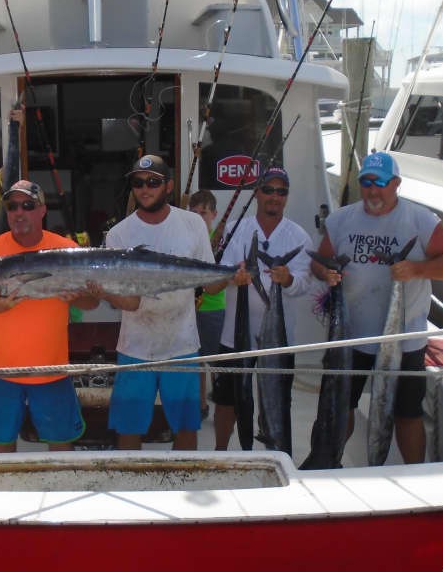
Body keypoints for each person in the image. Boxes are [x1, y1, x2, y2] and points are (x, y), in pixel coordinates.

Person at [310, 151, 443, 463]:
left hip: (403, 339)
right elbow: (319, 261)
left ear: (396, 183)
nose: (372, 190)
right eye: (366, 182)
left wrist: (417, 270)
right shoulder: (341, 219)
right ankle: (328, 463)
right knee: (340, 405)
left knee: (406, 413)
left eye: (380, 183)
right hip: (351, 336)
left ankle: (415, 474)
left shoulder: (420, 220)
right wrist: (325, 273)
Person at [0, 180, 99, 452]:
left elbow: (92, 302)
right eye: (12, 206)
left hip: (53, 371)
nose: (19, 212)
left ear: (42, 210)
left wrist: (77, 297)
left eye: (28, 205)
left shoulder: (67, 249)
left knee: (60, 446)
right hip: (4, 372)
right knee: (1, 447)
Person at [93, 155, 218, 451]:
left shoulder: (193, 224)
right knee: (128, 427)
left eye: (153, 182)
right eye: (138, 183)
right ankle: (131, 485)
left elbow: (211, 282)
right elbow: (131, 302)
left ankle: (183, 486)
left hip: (183, 345)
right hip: (135, 347)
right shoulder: (118, 234)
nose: (145, 189)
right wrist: (102, 291)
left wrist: (234, 276)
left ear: (169, 186)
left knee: (186, 426)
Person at [212, 167, 314, 450]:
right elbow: (218, 274)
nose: (274, 196)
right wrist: (234, 275)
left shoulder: (299, 236)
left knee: (276, 400)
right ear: (257, 193)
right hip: (235, 335)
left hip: (279, 339)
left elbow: (304, 283)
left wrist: (288, 279)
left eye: (281, 191)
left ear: (286, 197)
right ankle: (222, 453)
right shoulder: (233, 229)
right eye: (268, 189)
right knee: (227, 400)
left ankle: (274, 452)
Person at [189, 189, 224, 419]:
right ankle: (201, 405)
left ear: (214, 214)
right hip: (190, 309)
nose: (200, 217)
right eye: (195, 213)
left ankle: (221, 403)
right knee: (196, 361)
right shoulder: (186, 239)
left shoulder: (221, 240)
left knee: (216, 362)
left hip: (213, 308)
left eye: (204, 213)